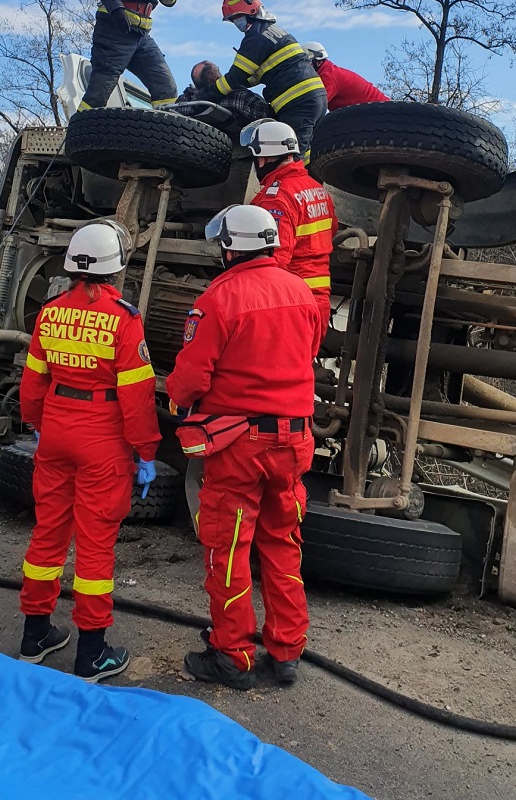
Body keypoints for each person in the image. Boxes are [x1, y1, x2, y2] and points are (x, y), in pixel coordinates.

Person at [167, 204, 321, 690]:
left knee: (228, 549)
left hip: (240, 446)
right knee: (283, 546)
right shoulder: (301, 291)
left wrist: (176, 396)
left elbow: (191, 378)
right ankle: (286, 651)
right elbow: (309, 349)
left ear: (231, 247)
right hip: (293, 441)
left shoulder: (219, 297)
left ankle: (232, 654)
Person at [17, 220, 161, 680]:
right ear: (115, 268)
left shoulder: (51, 310)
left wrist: (39, 426)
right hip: (102, 435)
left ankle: (34, 635)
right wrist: (146, 452)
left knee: (48, 533)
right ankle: (91, 653)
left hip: (56, 428)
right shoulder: (124, 318)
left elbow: (33, 381)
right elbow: (137, 397)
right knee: (96, 545)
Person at [205, 0, 327, 160]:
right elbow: (254, 76)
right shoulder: (275, 31)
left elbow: (234, 78)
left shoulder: (255, 36)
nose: (236, 23)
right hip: (316, 97)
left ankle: (296, 187)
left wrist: (208, 92)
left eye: (236, 17)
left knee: (289, 156)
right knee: (306, 154)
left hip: (296, 102)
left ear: (250, 11)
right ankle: (311, 186)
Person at [243, 119, 338, 336]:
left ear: (263, 158)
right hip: (318, 301)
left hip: (290, 305)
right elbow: (331, 231)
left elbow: (271, 261)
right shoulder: (318, 190)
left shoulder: (275, 198)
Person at [178, 60, 273, 132]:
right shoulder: (238, 98)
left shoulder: (184, 102)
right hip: (241, 151)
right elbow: (267, 117)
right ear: (216, 79)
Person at [302, 42, 390, 109]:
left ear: (318, 61)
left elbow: (315, 108)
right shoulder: (330, 72)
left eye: (307, 64)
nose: (304, 69)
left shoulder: (328, 76)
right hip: (374, 112)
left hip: (380, 112)